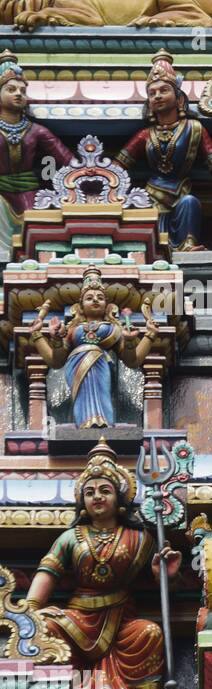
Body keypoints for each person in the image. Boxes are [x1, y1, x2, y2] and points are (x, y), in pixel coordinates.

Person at [21, 442, 179, 689]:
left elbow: (165, 587)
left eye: (105, 490)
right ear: (82, 501)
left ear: (119, 498)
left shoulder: (141, 539)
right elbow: (47, 574)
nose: (97, 497)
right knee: (45, 626)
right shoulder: (70, 537)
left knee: (150, 633)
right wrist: (30, 613)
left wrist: (164, 575)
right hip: (78, 616)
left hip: (120, 620)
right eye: (90, 492)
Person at [114, 49, 212, 252]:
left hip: (181, 194)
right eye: (152, 94)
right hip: (150, 196)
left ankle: (187, 244)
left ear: (179, 100)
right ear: (149, 104)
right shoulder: (145, 135)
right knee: (144, 214)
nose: (157, 96)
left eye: (164, 90)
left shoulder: (194, 129)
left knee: (190, 202)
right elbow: (117, 170)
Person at [28, 268, 159, 428]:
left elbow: (133, 360)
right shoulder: (72, 329)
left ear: (107, 306)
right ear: (80, 306)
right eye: (89, 298)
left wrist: (146, 336)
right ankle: (84, 423)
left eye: (100, 298)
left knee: (101, 393)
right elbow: (55, 361)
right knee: (83, 397)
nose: (95, 300)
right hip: (76, 367)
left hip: (101, 366)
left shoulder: (114, 329)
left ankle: (103, 422)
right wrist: (46, 336)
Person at [0, 51, 73, 262]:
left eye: (22, 90)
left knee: (38, 220)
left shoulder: (36, 131)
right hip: (1, 193)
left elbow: (67, 161)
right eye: (11, 89)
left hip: (29, 192)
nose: (18, 94)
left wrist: (88, 173)